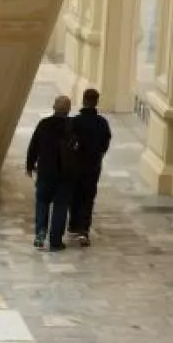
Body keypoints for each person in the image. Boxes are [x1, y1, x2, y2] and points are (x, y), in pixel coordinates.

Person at [26, 94, 76, 253]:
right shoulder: (73, 126)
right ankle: (55, 241)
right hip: (65, 175)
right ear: (68, 109)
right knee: (61, 207)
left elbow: (33, 146)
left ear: (54, 107)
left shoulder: (44, 124)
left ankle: (40, 233)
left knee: (42, 202)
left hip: (46, 172)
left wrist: (29, 164)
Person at [67, 88, 111, 246]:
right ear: (96, 102)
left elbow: (69, 143)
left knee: (74, 195)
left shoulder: (75, 121)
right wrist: (98, 155)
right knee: (88, 197)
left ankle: (73, 225)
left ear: (84, 100)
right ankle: (84, 229)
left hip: (76, 165)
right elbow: (105, 143)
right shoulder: (102, 123)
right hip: (93, 166)